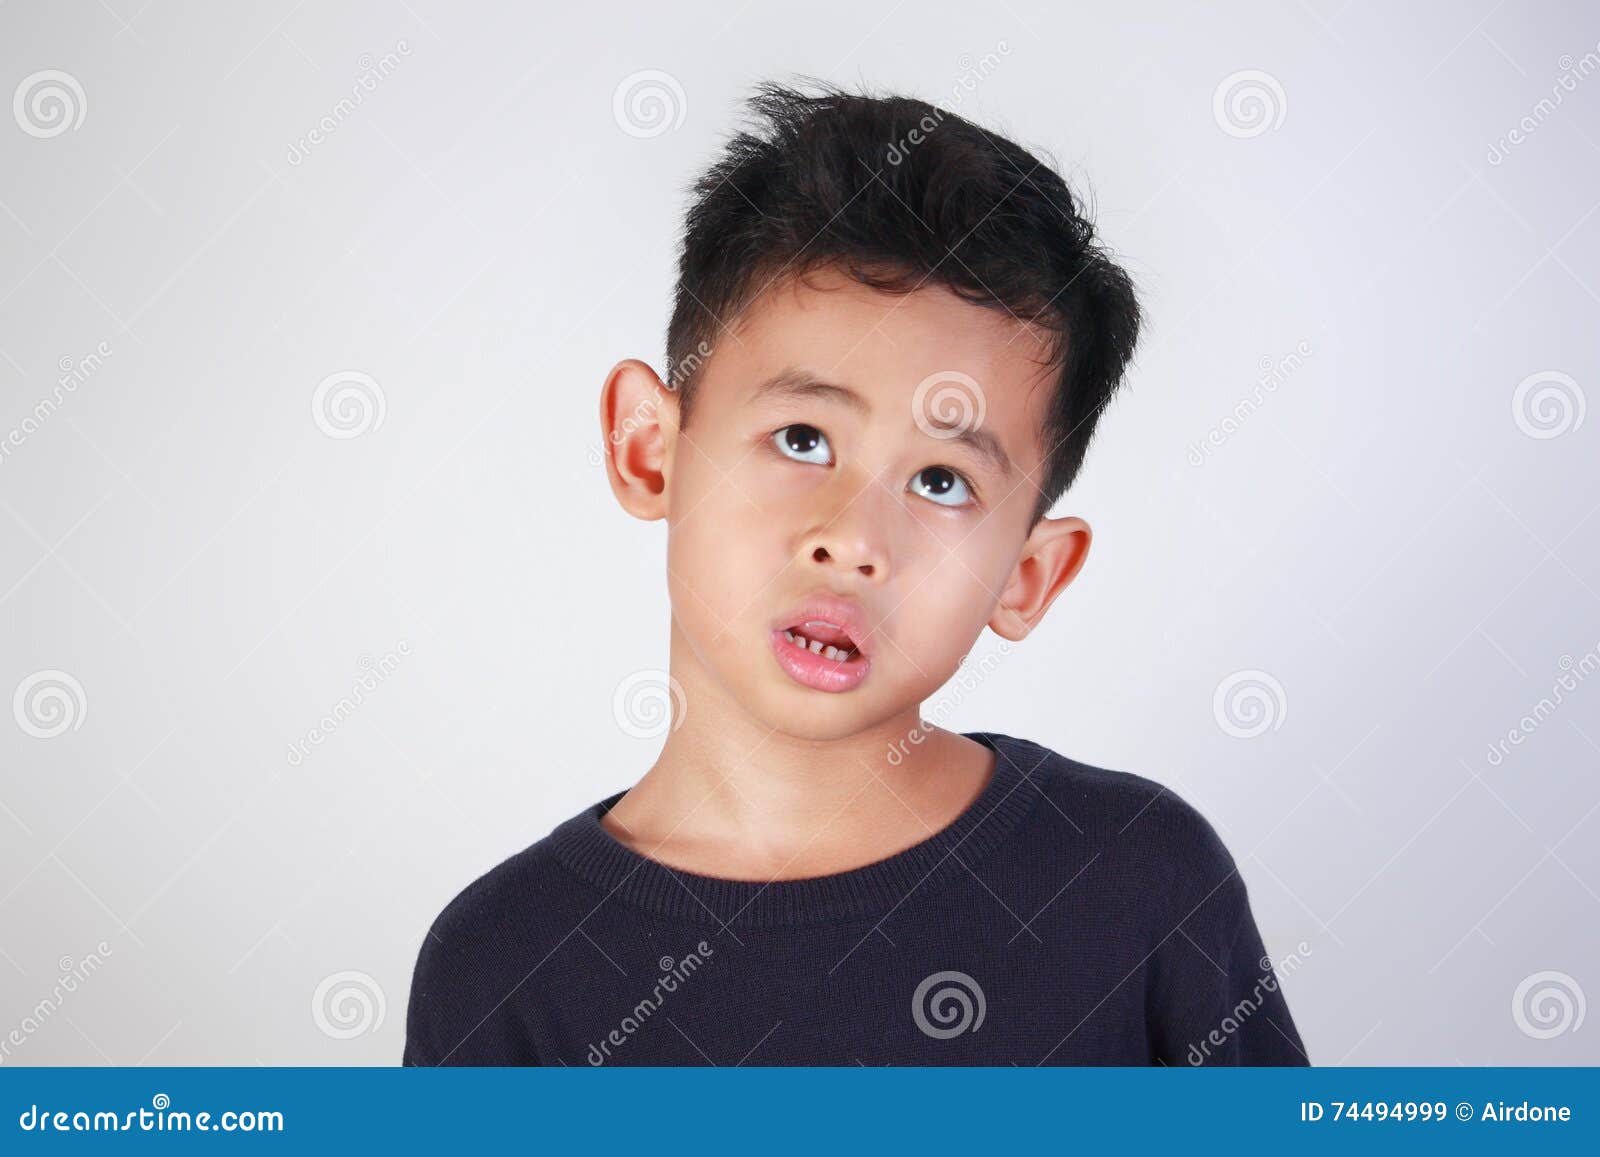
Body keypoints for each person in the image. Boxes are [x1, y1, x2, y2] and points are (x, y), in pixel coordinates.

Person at [403, 79, 1308, 1066]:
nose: (854, 536)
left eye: (940, 478)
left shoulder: (1134, 876)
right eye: (801, 437)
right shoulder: (506, 960)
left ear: (1027, 576)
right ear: (648, 448)